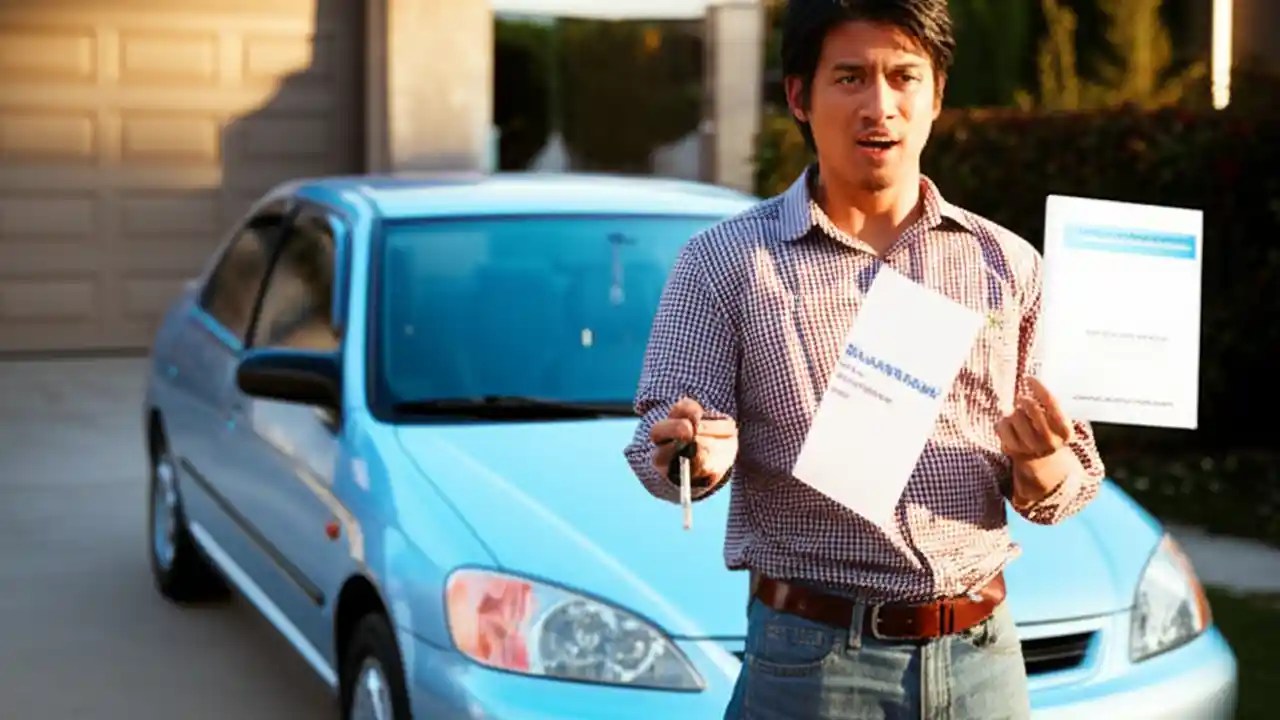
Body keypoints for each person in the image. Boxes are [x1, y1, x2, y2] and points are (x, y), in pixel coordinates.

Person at [622, 1, 1106, 718]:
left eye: (903, 76)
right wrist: (692, 454)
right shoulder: (726, 264)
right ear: (798, 96)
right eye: (849, 78)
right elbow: (662, 449)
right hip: (812, 659)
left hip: (984, 660)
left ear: (936, 95)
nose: (880, 106)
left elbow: (1072, 480)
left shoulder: (1006, 264)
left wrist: (1042, 465)